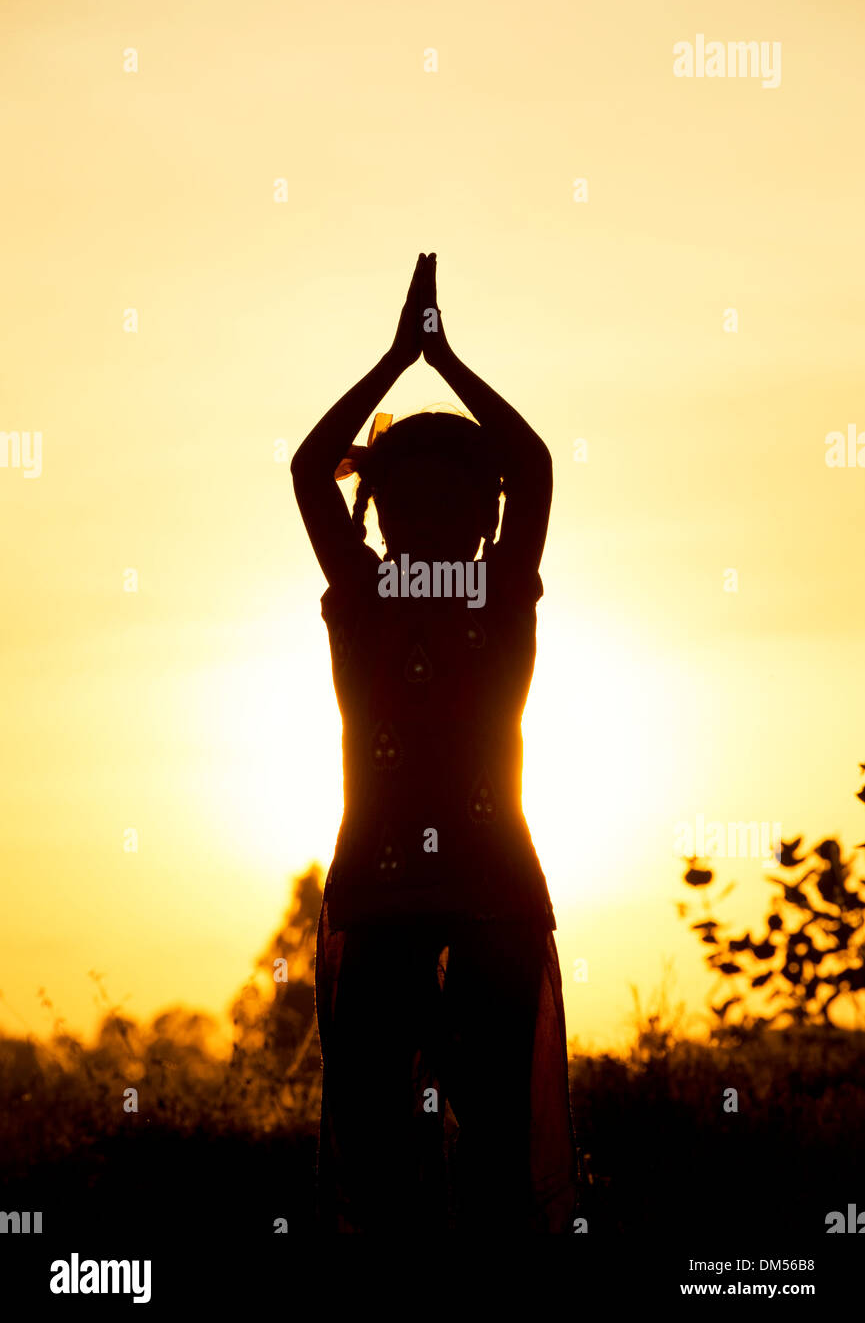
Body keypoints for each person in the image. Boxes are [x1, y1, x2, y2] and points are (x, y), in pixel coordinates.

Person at [291, 253, 580, 1233]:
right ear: (385, 510)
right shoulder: (383, 595)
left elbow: (532, 465)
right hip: (406, 886)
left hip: (460, 884)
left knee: (470, 1142)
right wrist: (412, 359)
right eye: (411, 495)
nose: (432, 514)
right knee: (393, 1151)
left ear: (481, 515)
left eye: (449, 497)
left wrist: (426, 358)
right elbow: (307, 469)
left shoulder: (482, 593)